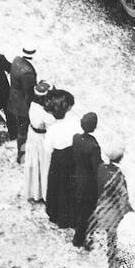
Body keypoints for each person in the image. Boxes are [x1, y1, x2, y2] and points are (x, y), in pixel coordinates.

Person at [87, 141, 134, 268]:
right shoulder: (118, 175)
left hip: (102, 207)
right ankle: (113, 266)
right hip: (113, 212)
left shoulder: (101, 168)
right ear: (120, 158)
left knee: (107, 234)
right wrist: (129, 210)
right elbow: (123, 196)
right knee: (114, 238)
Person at [45, 91, 80, 229]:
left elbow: (48, 149)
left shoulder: (52, 129)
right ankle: (72, 216)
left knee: (57, 186)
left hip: (58, 158)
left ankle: (57, 215)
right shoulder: (74, 123)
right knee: (70, 186)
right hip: (71, 156)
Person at [71, 112, 103, 247]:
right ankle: (78, 239)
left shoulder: (76, 138)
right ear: (94, 127)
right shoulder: (94, 146)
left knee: (79, 205)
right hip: (88, 182)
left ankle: (75, 225)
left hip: (77, 175)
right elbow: (97, 167)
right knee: (86, 211)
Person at [23, 81, 54, 202]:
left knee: (34, 163)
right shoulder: (45, 113)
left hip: (32, 135)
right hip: (41, 139)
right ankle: (45, 193)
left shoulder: (33, 105)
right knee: (44, 164)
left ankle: (35, 191)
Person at [7, 45, 38, 163]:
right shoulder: (28, 72)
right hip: (23, 107)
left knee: (21, 130)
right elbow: (30, 94)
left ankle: (22, 153)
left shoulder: (16, 60)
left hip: (14, 100)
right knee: (24, 131)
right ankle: (22, 155)